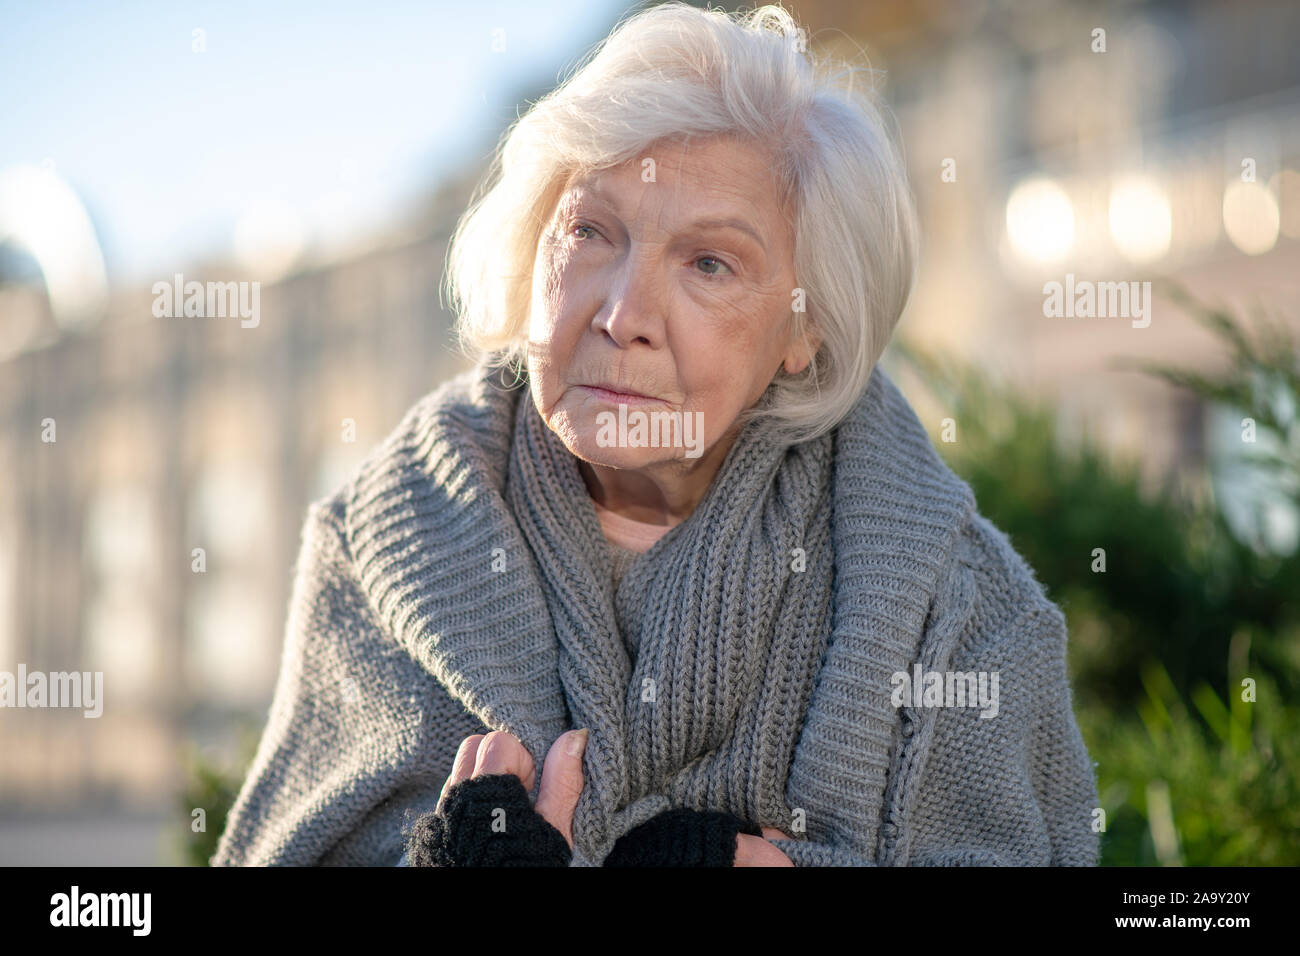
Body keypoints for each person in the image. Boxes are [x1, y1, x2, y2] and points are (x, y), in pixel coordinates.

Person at [212, 2, 1099, 867]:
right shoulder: (376, 549)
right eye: (591, 232)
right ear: (531, 253)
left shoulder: (961, 611)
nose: (623, 313)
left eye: (710, 263)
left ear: (805, 329)